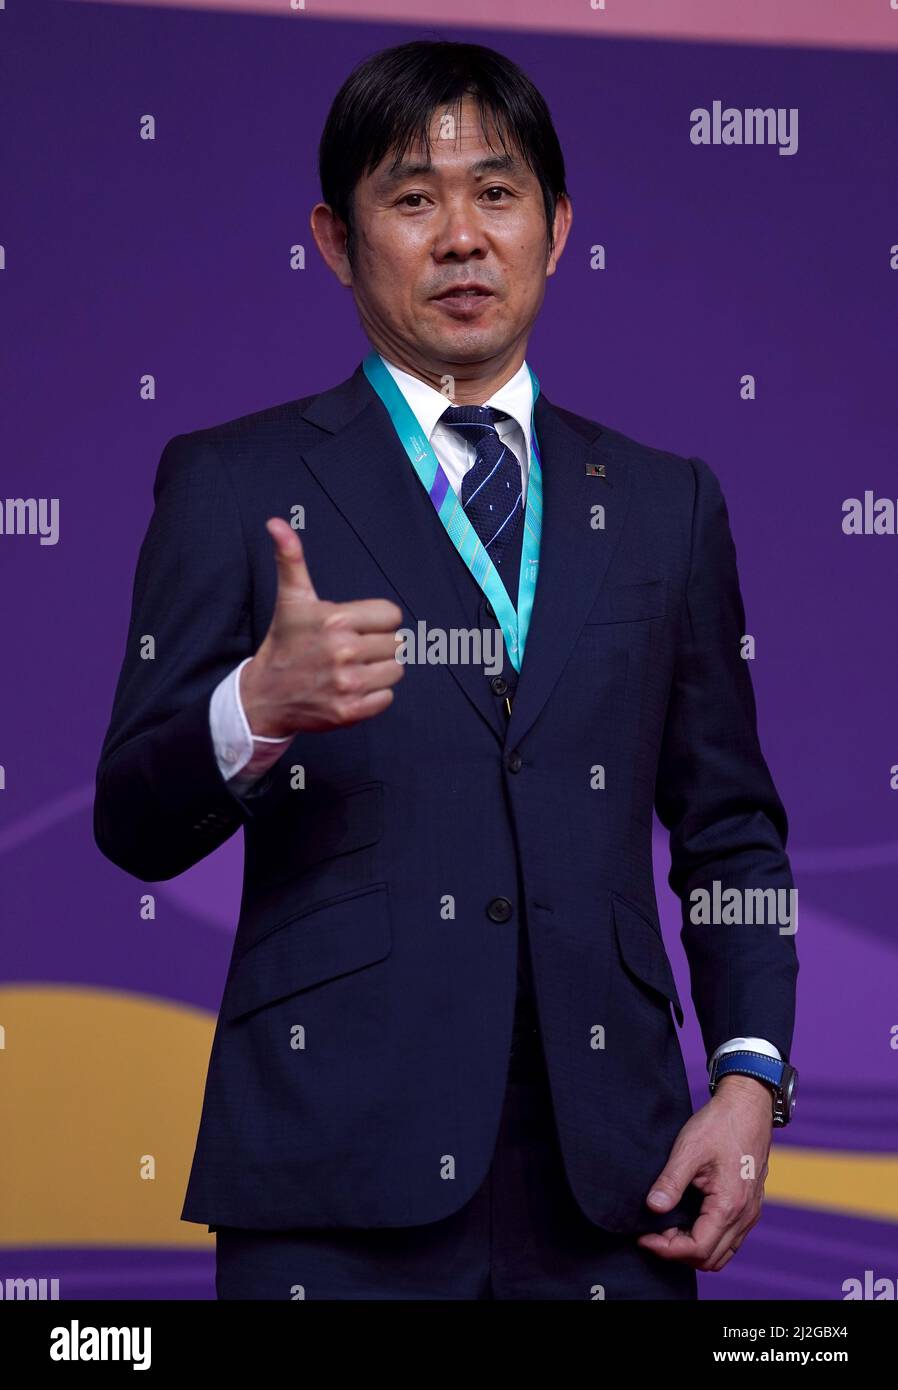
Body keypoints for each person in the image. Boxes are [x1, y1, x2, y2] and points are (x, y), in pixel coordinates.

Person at [94, 39, 799, 1300]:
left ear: (557, 224)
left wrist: (748, 1077)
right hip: (331, 1171)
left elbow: (731, 829)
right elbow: (132, 822)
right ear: (333, 236)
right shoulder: (235, 481)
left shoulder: (661, 504)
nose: (462, 236)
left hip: (614, 1181)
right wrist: (252, 711)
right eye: (413, 198)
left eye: (497, 190)